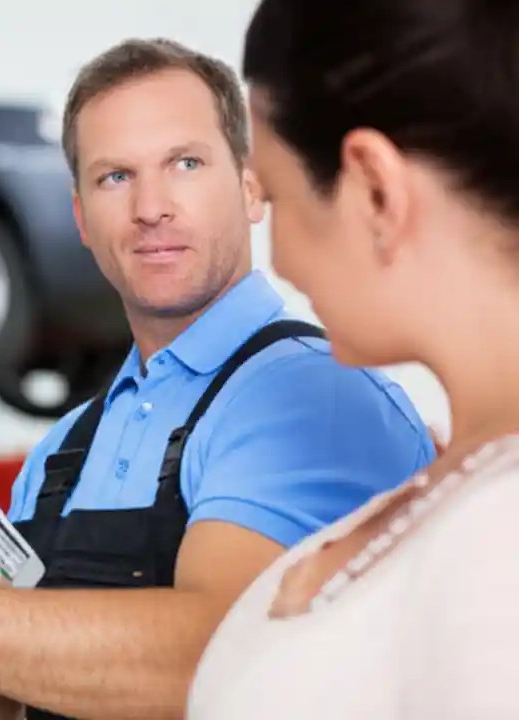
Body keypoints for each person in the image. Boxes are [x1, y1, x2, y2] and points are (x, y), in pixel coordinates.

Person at [0, 38, 435, 719]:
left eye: (185, 164)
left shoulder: (314, 399)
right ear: (81, 217)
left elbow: (215, 666)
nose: (150, 207)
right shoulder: (64, 452)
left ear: (252, 187)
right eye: (115, 177)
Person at [187, 1, 519, 717]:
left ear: (373, 188)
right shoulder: (467, 489)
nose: (279, 260)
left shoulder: (502, 545)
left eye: (273, 197)